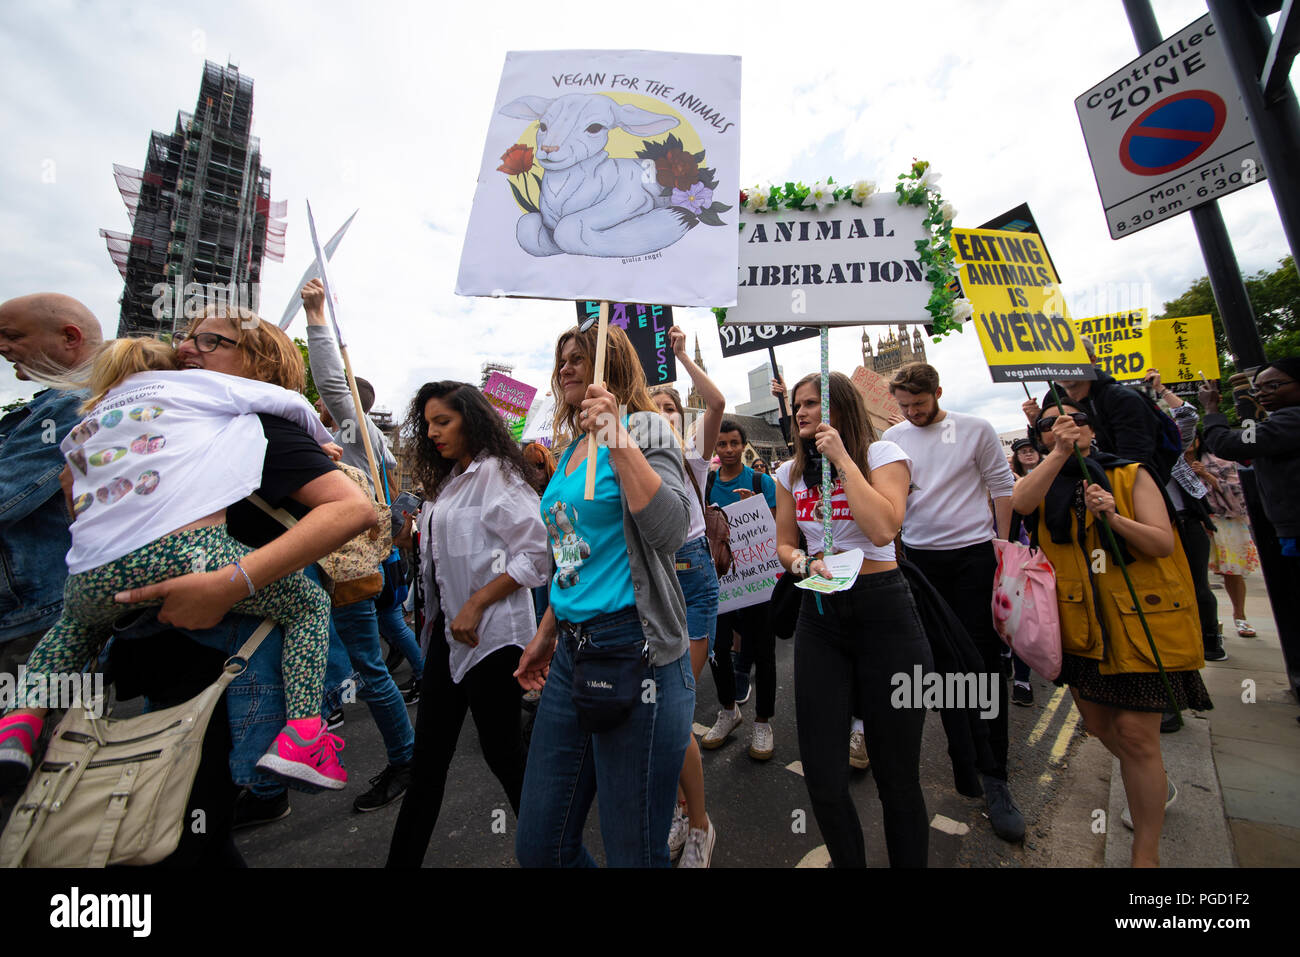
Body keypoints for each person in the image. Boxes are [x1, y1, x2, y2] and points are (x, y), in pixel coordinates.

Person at [0, 338, 345, 791]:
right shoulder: (196, 388)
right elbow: (288, 400)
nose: (190, 349)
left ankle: (19, 722)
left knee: (73, 630)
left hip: (91, 568)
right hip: (186, 551)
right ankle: (304, 733)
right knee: (308, 605)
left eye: (208, 340)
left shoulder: (89, 419)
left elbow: (73, 494)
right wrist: (322, 439)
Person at [97, 304, 374, 861]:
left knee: (184, 835)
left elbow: (351, 510)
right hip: (164, 652)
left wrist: (229, 583)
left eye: (211, 340)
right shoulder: (176, 423)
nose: (186, 347)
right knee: (174, 831)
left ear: (261, 364)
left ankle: (304, 738)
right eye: (186, 337)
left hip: (224, 667)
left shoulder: (258, 425)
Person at [514, 323, 693, 868]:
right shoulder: (568, 454)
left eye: (578, 359)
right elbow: (571, 551)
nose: (566, 368)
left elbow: (671, 530)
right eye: (561, 359)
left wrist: (618, 437)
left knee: (633, 852)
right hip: (571, 653)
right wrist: (547, 632)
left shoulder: (647, 429)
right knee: (540, 846)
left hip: (635, 652)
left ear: (608, 368)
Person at [1011, 401, 1210, 867]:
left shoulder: (1130, 474)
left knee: (1137, 737)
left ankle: (1146, 854)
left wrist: (1114, 518)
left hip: (1138, 624)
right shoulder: (1045, 478)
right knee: (1102, 728)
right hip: (1080, 628)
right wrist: (1057, 456)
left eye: (1077, 419)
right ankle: (1154, 778)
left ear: (1092, 427)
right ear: (1040, 435)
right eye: (1050, 424)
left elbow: (1161, 543)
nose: (1066, 426)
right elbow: (1021, 505)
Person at [386, 381, 548, 867]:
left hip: (493, 642)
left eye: (444, 421)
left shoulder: (497, 475)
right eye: (429, 423)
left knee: (505, 759)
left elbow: (538, 553)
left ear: (471, 420)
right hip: (446, 643)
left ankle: (554, 852)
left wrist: (478, 601)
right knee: (427, 764)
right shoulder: (449, 481)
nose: (434, 433)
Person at [774, 371, 930, 867]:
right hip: (820, 613)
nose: (801, 411)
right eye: (797, 404)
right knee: (822, 775)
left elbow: (883, 528)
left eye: (813, 402)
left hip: (883, 609)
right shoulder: (788, 474)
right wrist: (803, 563)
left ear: (840, 407)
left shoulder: (883, 456)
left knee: (896, 775)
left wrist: (841, 458)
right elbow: (784, 545)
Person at [884, 362, 1023, 842]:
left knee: (983, 665)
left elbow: (1003, 489)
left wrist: (1002, 550)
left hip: (973, 558)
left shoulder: (976, 430)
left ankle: (996, 774)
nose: (912, 413)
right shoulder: (895, 438)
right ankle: (964, 758)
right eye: (904, 406)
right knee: (940, 668)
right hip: (921, 563)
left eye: (919, 404)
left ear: (938, 392)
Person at [301, 279, 417, 813]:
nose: (320, 414)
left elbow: (329, 382)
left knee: (367, 663)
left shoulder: (358, 436)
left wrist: (317, 318)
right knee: (354, 656)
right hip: (352, 566)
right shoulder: (364, 444)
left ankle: (404, 755)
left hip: (352, 567)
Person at [649, 322, 725, 867]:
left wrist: (681, 356)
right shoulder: (638, 456)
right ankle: (682, 809)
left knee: (674, 713)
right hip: (652, 585)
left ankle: (698, 823)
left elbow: (717, 401)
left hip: (694, 577)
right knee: (658, 714)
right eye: (653, 408)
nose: (664, 414)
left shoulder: (691, 455)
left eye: (672, 406)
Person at [0, 294, 103, 679]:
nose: (3, 348)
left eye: (12, 335)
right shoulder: (54, 403)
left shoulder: (73, 407)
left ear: (70, 337)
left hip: (37, 618)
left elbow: (6, 496)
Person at [701, 419, 780, 759]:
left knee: (763, 651)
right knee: (717, 648)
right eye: (722, 444)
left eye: (735, 443)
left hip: (756, 583)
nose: (729, 449)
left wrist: (756, 507)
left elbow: (777, 528)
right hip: (721, 582)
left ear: (744, 445)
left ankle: (763, 721)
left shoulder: (761, 481)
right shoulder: (706, 484)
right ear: (715, 449)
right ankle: (728, 709)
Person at [1147, 370, 1223, 662]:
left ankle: (1210, 639)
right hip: (1150, 526)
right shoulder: (1122, 452)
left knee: (1197, 584)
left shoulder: (1170, 444)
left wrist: (1162, 389)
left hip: (1184, 521)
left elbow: (1189, 415)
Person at [1191, 434, 1259, 636]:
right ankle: (1209, 622)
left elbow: (1239, 494)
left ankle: (1240, 616)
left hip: (1224, 521)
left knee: (1233, 572)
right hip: (1195, 523)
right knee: (1198, 576)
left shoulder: (1218, 462)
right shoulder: (1172, 464)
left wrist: (1206, 475)